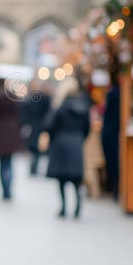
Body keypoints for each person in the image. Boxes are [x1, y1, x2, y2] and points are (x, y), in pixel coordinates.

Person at [45, 78, 90, 218]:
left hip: (61, 143)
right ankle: (77, 207)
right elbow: (87, 127)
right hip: (76, 141)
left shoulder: (61, 106)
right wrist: (80, 138)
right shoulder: (84, 105)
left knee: (62, 178)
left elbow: (49, 125)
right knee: (76, 179)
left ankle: (63, 207)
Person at [0, 78, 22, 201]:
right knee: (9, 163)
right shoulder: (13, 97)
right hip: (11, 131)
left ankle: (5, 190)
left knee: (2, 163)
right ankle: (9, 190)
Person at [20, 81, 52, 175]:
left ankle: (34, 168)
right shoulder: (38, 99)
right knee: (36, 149)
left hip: (37, 127)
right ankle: (34, 168)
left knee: (36, 149)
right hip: (37, 126)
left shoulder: (36, 99)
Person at [101, 78, 120, 200]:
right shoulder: (118, 94)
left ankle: (112, 187)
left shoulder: (112, 93)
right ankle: (114, 188)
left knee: (112, 161)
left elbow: (106, 110)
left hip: (110, 131)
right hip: (113, 131)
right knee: (114, 161)